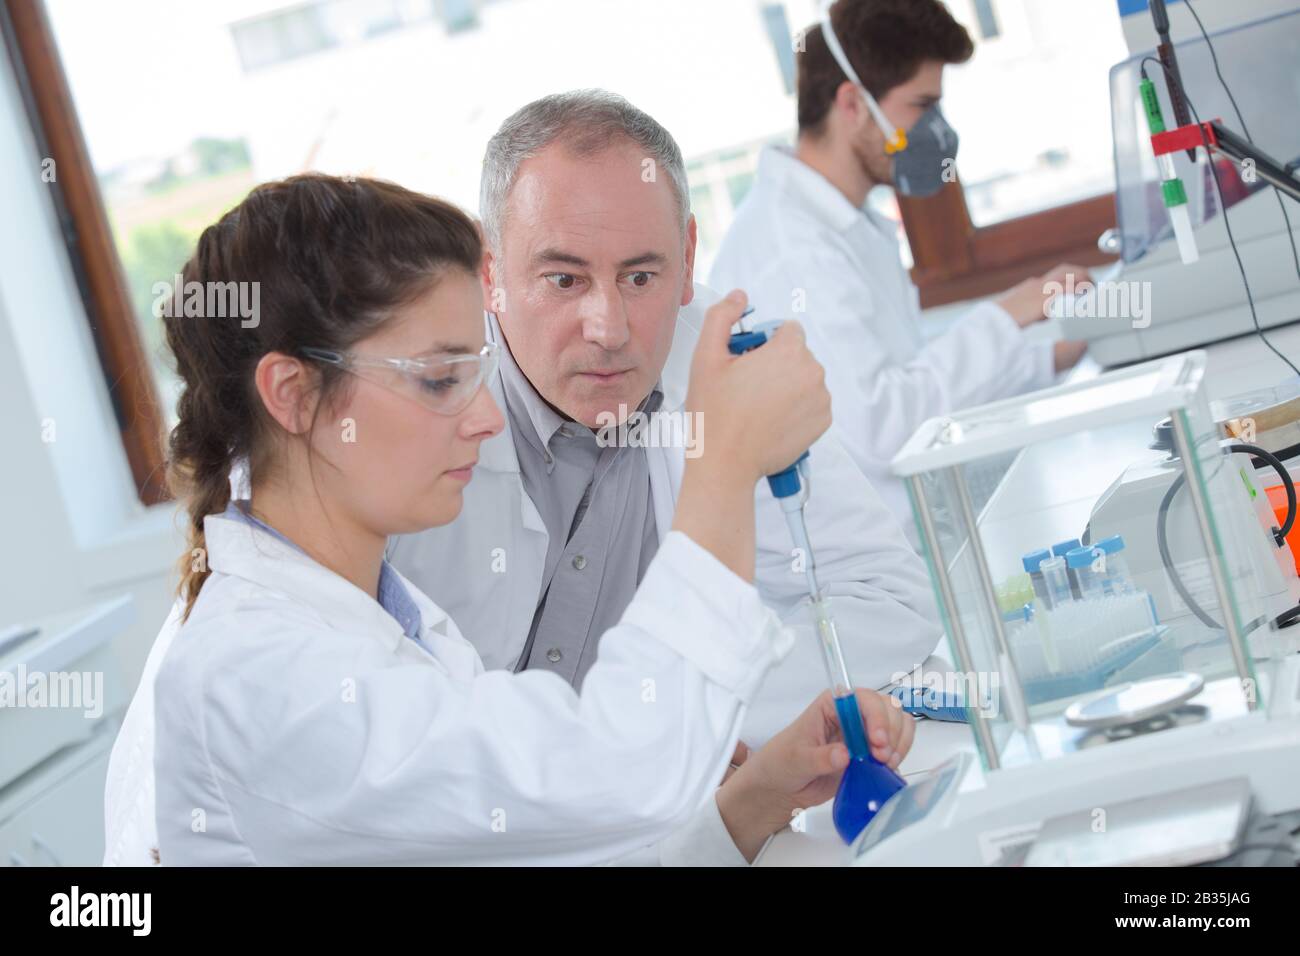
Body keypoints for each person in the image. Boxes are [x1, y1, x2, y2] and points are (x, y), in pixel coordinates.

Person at [102, 174, 914, 866]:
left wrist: (750, 805)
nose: (489, 416)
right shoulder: (261, 679)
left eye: (478, 369)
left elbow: (555, 832)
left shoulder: (395, 622)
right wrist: (725, 463)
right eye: (439, 378)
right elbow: (626, 762)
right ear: (293, 395)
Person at [390, 91, 941, 744]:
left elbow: (891, 601)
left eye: (641, 276)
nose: (609, 328)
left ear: (685, 257)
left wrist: (670, 733)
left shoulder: (726, 360)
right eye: (564, 280)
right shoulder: (407, 402)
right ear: (488, 272)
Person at [709, 0, 1089, 535]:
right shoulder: (793, 247)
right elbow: (883, 428)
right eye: (921, 105)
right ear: (853, 104)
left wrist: (1051, 355)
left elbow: (911, 383)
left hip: (903, 542)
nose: (936, 130)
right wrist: (1007, 315)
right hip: (858, 573)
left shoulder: (845, 220)